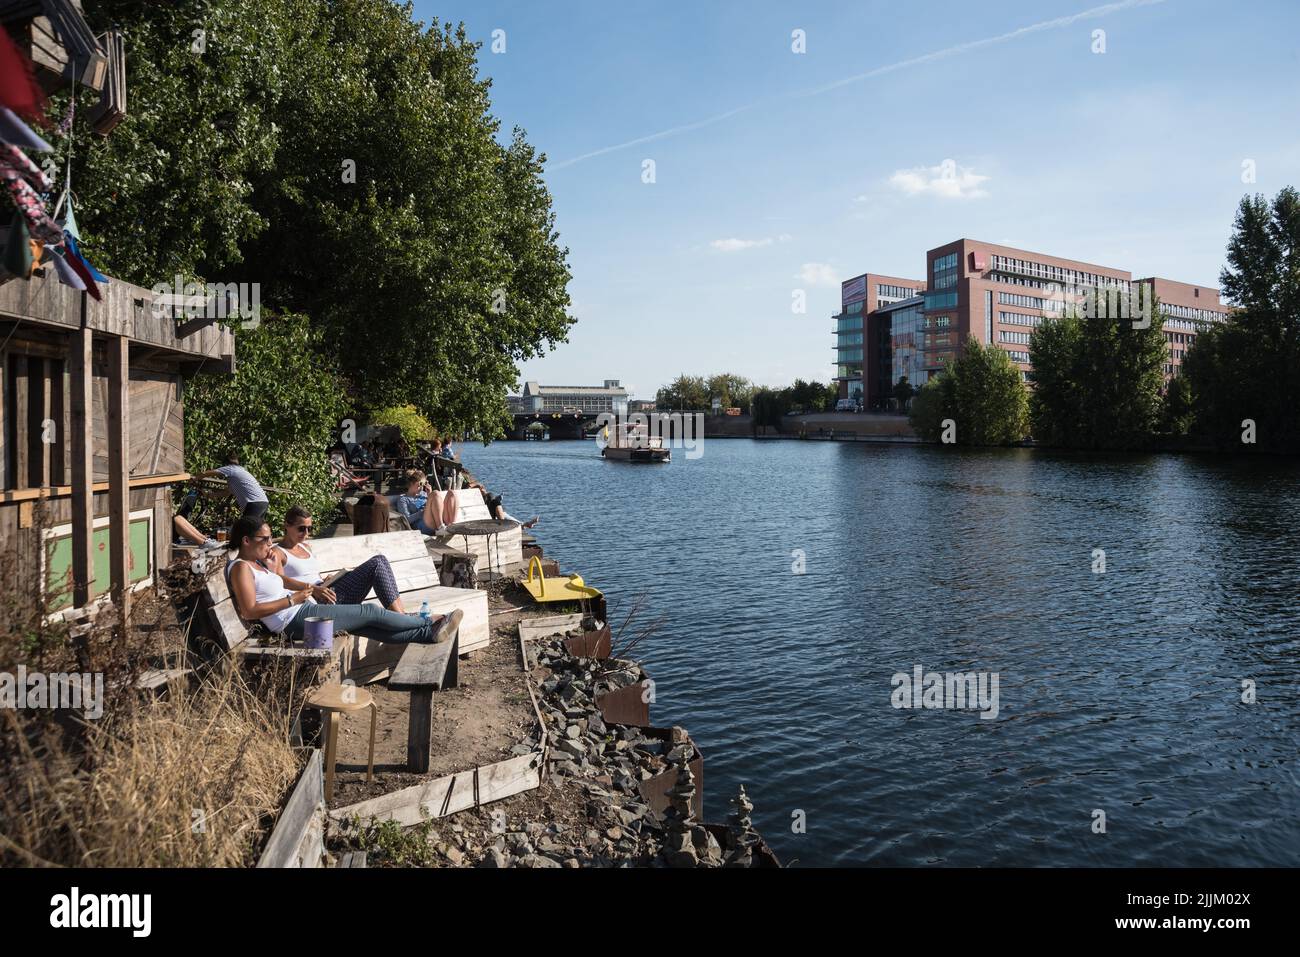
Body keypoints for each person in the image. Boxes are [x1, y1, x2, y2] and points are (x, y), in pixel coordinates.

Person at [224, 515, 458, 645]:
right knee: (369, 611)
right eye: (264, 539)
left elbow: (281, 581)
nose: (268, 542)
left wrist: (310, 588)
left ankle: (427, 636)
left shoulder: (258, 563)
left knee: (367, 626)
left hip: (301, 610)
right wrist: (292, 601)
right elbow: (249, 610)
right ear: (246, 541)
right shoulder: (241, 568)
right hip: (292, 622)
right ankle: (430, 621)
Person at [270, 505, 408, 613]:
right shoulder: (278, 552)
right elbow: (280, 582)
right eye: (301, 529)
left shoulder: (306, 547)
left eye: (309, 529)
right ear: (287, 526)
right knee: (376, 564)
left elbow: (312, 575)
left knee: (381, 559)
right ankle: (400, 618)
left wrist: (326, 579)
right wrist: (313, 589)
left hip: (328, 592)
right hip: (316, 602)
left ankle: (400, 613)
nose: (306, 533)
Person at [198, 454, 269, 518]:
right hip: (263, 502)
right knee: (255, 530)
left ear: (226, 464)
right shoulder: (238, 474)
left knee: (246, 529)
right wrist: (208, 495)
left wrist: (195, 478)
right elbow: (226, 493)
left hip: (253, 503)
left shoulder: (232, 468)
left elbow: (206, 473)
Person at [392, 469, 455, 534]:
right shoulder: (403, 499)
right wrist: (422, 512)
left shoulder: (424, 494)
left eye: (423, 484)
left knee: (451, 493)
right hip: (422, 525)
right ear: (411, 483)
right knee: (435, 493)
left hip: (435, 520)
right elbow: (406, 520)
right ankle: (441, 528)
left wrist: (429, 495)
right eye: (420, 484)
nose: (422, 487)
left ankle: (452, 526)